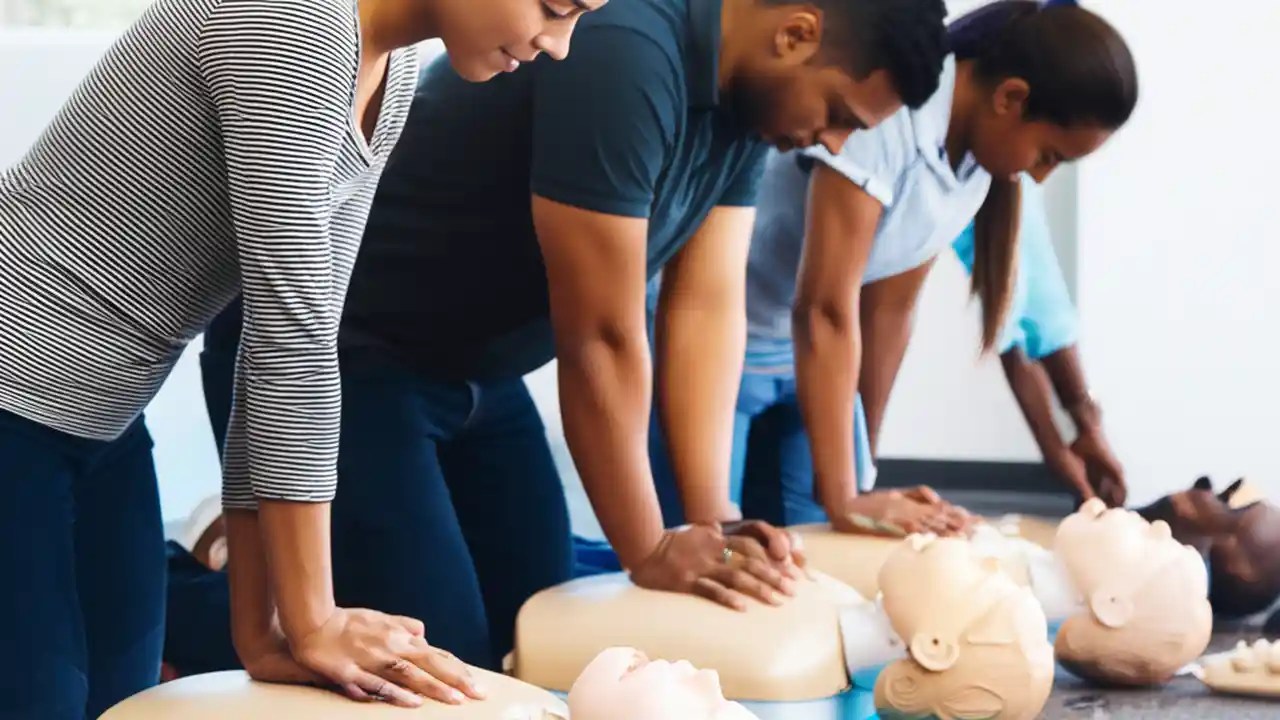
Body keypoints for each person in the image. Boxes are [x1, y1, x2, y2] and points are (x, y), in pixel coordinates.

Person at [201, 0, 951, 679]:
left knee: (539, 625)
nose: (833, 142)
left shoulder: (745, 115)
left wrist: (710, 519)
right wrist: (649, 549)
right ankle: (195, 583)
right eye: (840, 113)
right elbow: (600, 333)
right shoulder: (626, 46)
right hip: (347, 361)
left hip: (479, 378)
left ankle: (251, 567)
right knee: (446, 655)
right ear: (796, 34)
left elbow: (704, 307)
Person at [0, 0, 599, 716]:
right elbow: (294, 343)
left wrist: (264, 628)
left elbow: (275, 339)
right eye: (557, 7)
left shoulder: (394, 64)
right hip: (17, 397)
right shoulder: (294, 19)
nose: (560, 45)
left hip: (102, 423)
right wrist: (316, 617)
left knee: (120, 699)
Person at [651, 0, 1138, 534]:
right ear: (1010, 98)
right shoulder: (887, 115)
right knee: (707, 548)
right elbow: (824, 309)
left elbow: (888, 312)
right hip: (715, 345)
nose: (1042, 176)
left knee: (806, 565)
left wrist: (864, 476)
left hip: (801, 365)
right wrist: (845, 495)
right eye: (1049, 154)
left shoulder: (978, 169)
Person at [951, 176, 1127, 507]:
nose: (1046, 174)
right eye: (1049, 155)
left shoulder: (1017, 177)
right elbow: (1006, 303)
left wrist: (1086, 425)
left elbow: (1040, 299)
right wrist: (1055, 447)